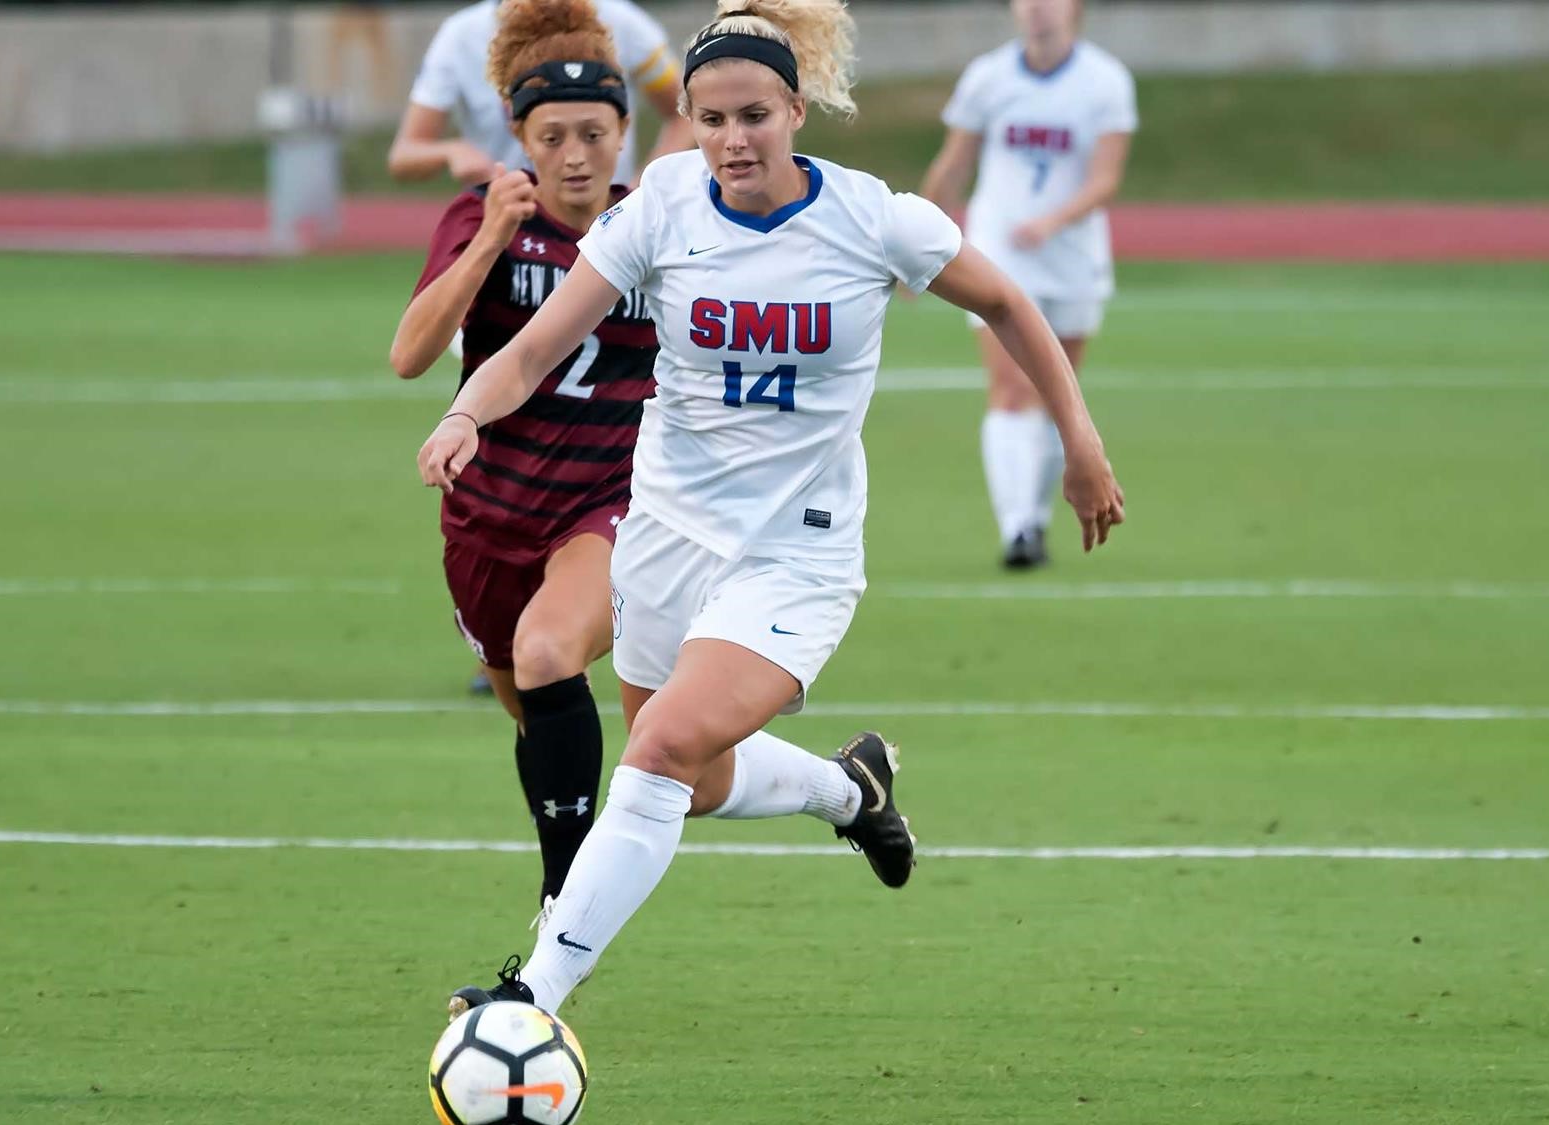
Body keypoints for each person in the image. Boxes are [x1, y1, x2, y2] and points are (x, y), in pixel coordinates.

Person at [419, 0, 1126, 1018]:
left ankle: (532, 995)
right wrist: (463, 414)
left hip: (796, 553)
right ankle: (851, 792)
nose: (730, 140)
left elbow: (1008, 303)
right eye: (708, 120)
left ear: (794, 110)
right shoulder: (663, 202)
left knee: (656, 755)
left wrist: (1079, 440)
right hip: (664, 539)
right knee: (694, 782)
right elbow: (531, 347)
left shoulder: (871, 216)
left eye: (752, 115)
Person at [389, 0, 656, 909]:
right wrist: (490, 243)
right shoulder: (483, 217)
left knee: (548, 656)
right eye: (553, 135)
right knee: (541, 718)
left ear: (626, 131)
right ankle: (841, 789)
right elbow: (411, 355)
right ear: (518, 133)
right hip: (489, 515)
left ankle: (564, 910)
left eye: (595, 132)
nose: (576, 155)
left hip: (609, 505)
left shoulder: (656, 227)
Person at [920, 0, 1136, 569]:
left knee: (1058, 395)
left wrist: (1053, 221)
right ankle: (1018, 529)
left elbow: (1107, 178)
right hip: (998, 258)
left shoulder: (1106, 81)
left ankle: (1035, 517)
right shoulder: (988, 77)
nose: (1037, 8)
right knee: (1013, 389)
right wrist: (914, 241)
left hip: (1072, 260)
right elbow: (952, 165)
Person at [388, 0, 692, 187]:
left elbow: (686, 112)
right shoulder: (460, 35)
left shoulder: (623, 21)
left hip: (600, 225)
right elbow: (404, 155)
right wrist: (452, 151)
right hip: (508, 227)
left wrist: (643, 186)